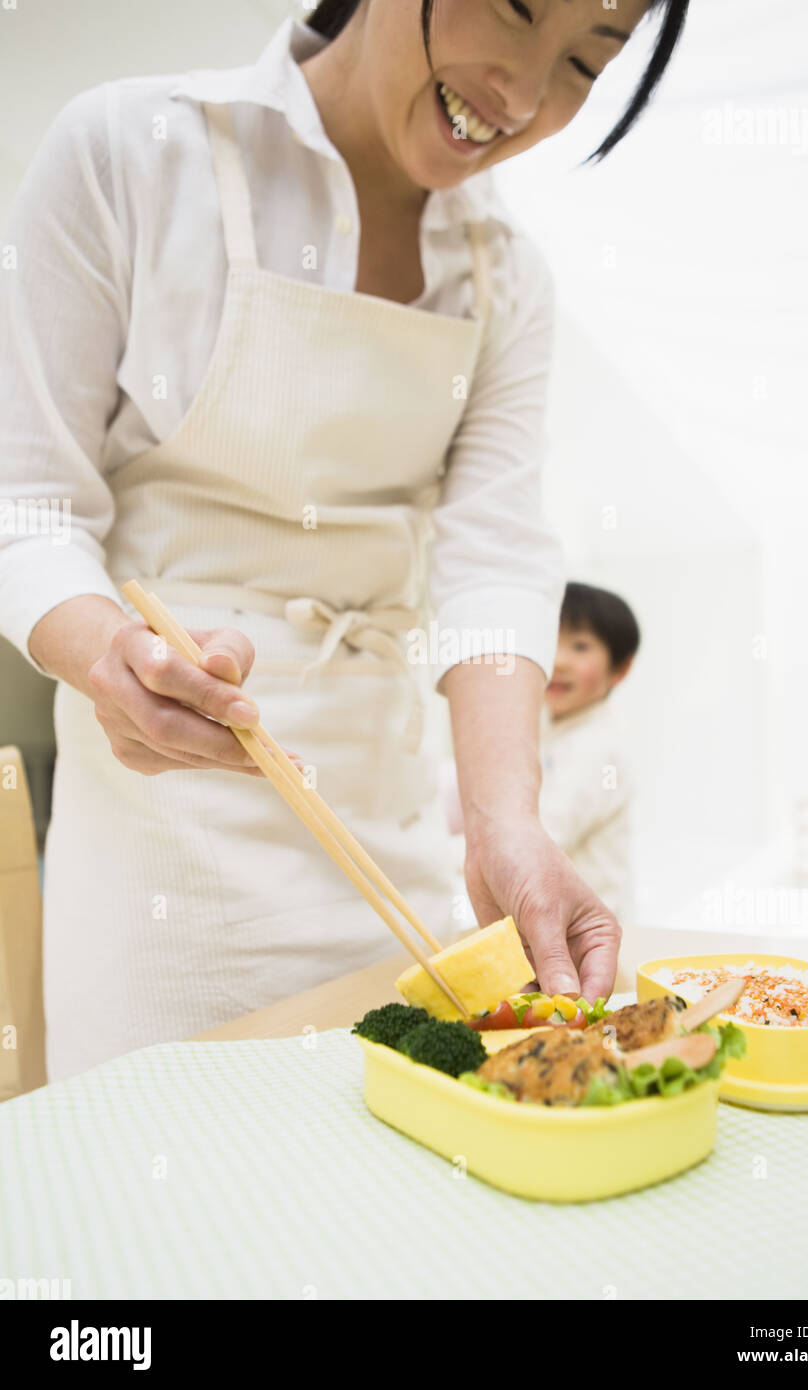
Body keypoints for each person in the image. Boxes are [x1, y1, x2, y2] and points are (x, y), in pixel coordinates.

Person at [0, 0, 689, 1080]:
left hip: (384, 807)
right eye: (512, 10)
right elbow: (26, 505)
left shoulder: (506, 277)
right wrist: (105, 657)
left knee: (393, 1154)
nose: (519, 94)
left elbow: (493, 553)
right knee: (170, 1187)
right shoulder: (131, 151)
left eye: (582, 64)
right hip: (161, 823)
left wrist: (504, 821)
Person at [539, 581, 640, 927]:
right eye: (547, 640)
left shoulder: (598, 747)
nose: (557, 660)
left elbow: (545, 835)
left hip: (586, 936)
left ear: (620, 668)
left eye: (580, 646)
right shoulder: (552, 728)